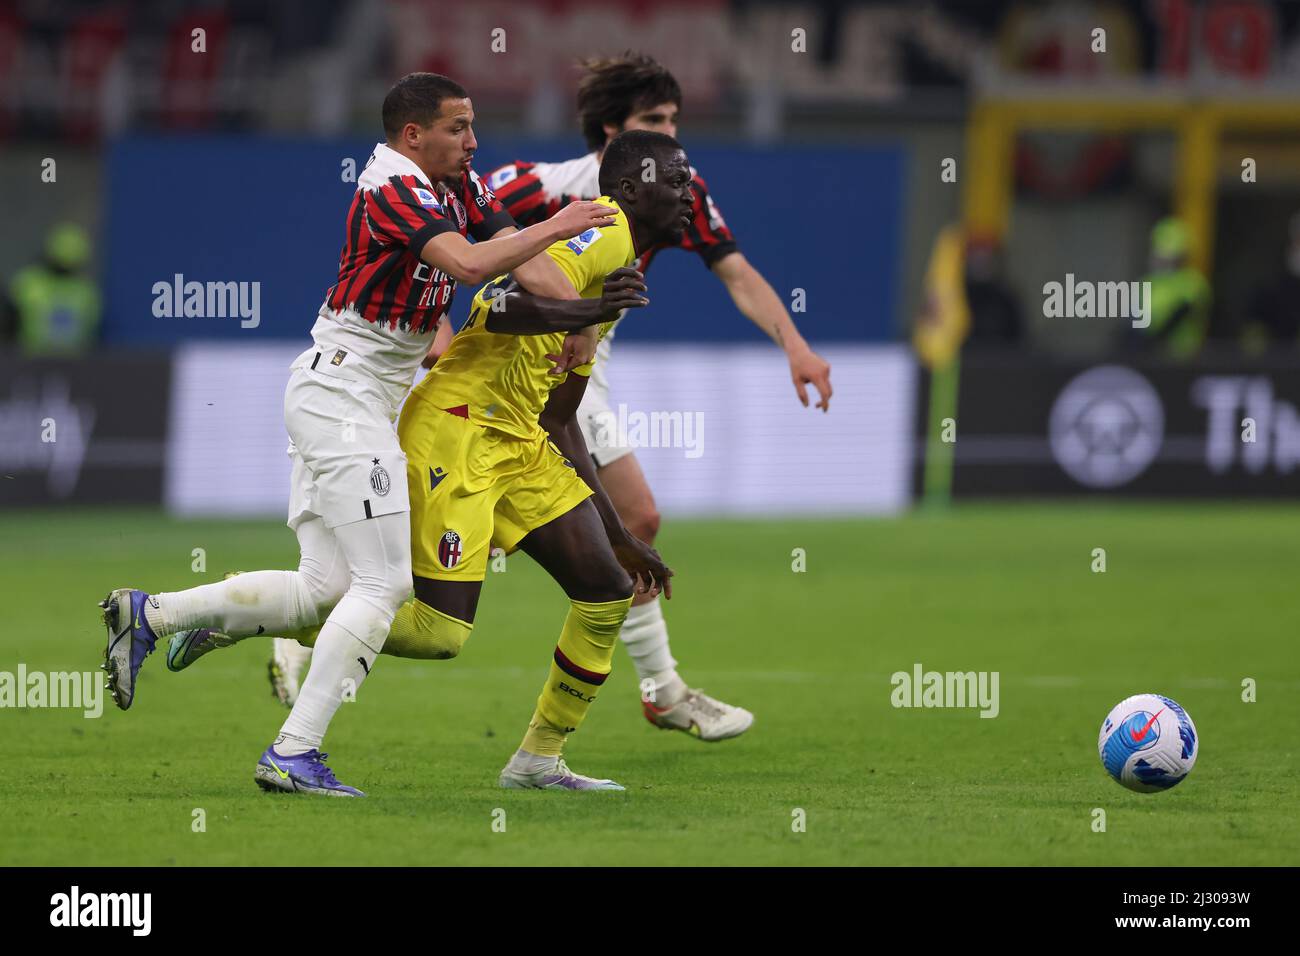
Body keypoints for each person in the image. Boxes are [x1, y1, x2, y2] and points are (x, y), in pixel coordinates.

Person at [269, 52, 835, 742]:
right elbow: (462, 258)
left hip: (576, 359)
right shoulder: (545, 188)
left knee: (618, 533)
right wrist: (437, 324)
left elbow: (736, 271)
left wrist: (795, 345)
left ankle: (326, 615)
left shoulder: (678, 185)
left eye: (674, 122)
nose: (673, 138)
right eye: (655, 121)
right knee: (627, 522)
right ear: (610, 133)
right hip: (520, 368)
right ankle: (658, 690)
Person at [97, 72, 617, 797]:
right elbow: (469, 265)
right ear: (414, 136)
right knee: (385, 582)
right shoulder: (393, 185)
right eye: (458, 128)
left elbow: (533, 269)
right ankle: (292, 753)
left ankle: (151, 614)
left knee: (323, 592)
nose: (473, 141)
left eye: (472, 127)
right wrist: (561, 224)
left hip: (352, 395)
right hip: (343, 396)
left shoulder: (456, 185)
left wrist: (581, 318)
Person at [170, 130, 693, 791]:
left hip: (518, 443)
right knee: (437, 631)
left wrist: (622, 538)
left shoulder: (625, 273)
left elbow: (560, 417)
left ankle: (538, 760)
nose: (687, 193)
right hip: (459, 430)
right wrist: (586, 309)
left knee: (607, 590)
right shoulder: (606, 233)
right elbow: (496, 302)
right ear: (626, 190)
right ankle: (263, 616)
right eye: (674, 180)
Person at [0, 223, 100, 355]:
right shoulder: (29, 283)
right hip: (28, 360)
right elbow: (8, 323)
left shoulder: (87, 292)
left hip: (72, 364)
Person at [1137, 217, 1211, 359]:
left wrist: (1149, 342)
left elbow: (1177, 318)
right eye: (1158, 256)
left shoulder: (1193, 283)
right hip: (1148, 358)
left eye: (1169, 257)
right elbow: (1135, 322)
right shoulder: (1147, 282)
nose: (1161, 261)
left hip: (1183, 360)